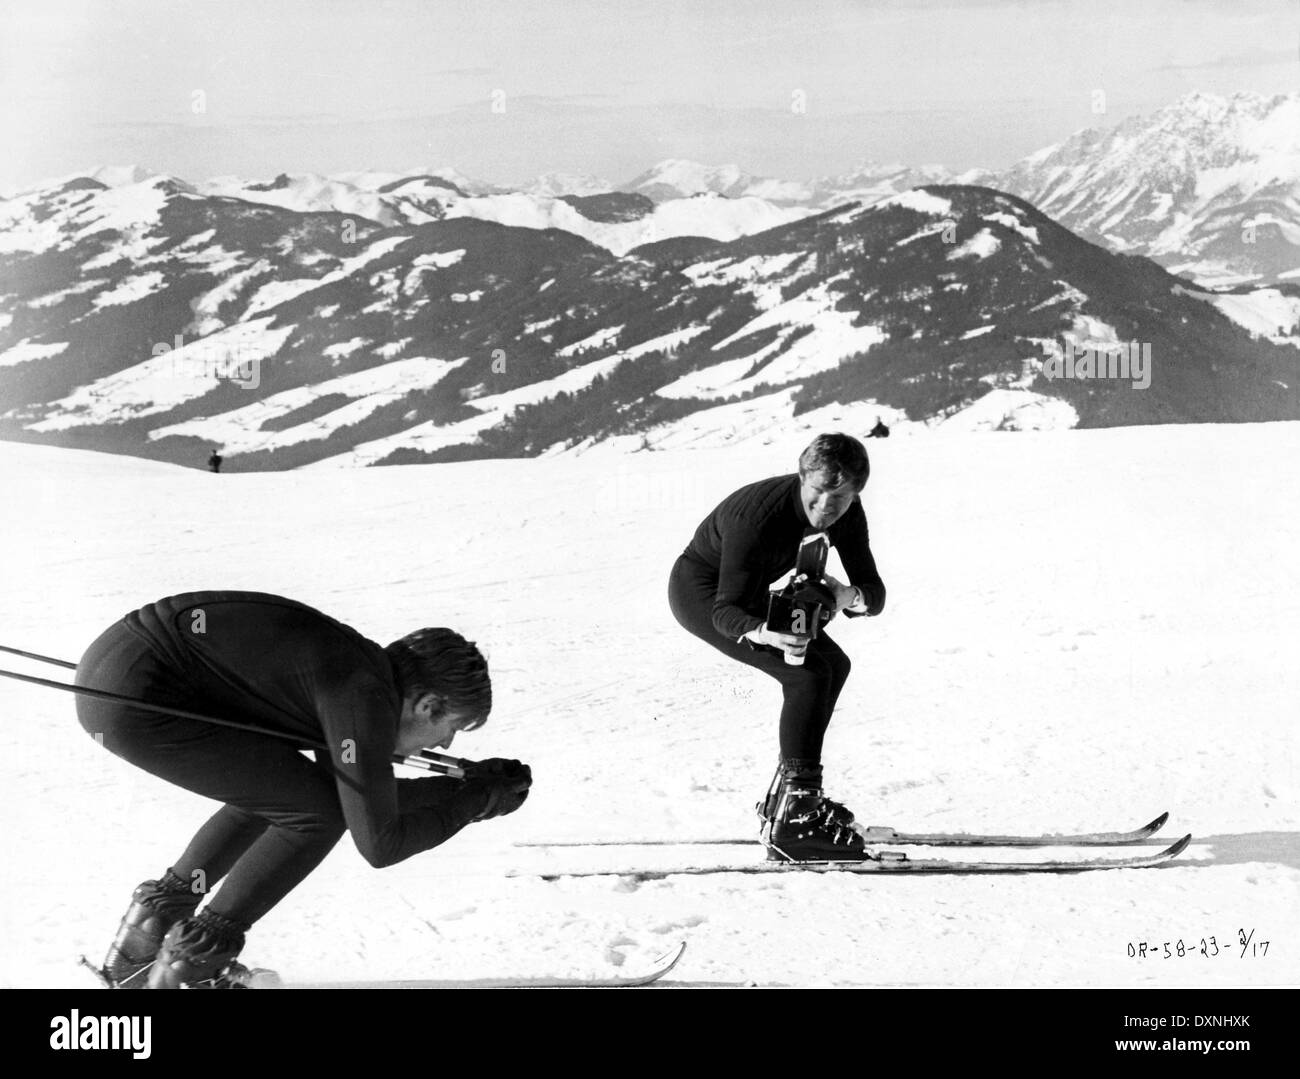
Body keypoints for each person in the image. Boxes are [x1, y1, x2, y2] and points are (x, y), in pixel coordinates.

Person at [74, 590, 531, 989]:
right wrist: (475, 801)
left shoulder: (363, 679)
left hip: (121, 669)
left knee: (289, 794)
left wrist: (467, 790)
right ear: (428, 704)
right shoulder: (361, 698)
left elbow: (356, 797)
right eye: (451, 729)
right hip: (136, 697)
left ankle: (142, 946)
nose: (445, 745)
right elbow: (381, 842)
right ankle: (188, 971)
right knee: (312, 814)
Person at [668, 433, 885, 862]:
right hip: (703, 594)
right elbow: (725, 612)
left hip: (750, 596)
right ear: (801, 477)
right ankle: (796, 820)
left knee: (833, 665)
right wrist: (763, 632)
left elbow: (873, 592)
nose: (827, 507)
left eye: (840, 497)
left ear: (856, 492)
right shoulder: (758, 517)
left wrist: (848, 596)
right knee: (804, 675)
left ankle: (792, 801)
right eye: (817, 493)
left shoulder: (848, 510)